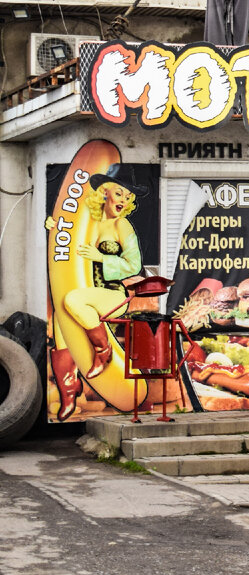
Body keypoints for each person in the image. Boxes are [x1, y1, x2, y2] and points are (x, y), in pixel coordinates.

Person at [49, 165, 148, 420]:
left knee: (71, 300)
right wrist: (52, 228)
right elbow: (67, 252)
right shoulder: (87, 222)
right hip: (90, 293)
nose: (124, 200)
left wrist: (101, 257)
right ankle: (69, 391)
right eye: (119, 193)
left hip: (114, 295)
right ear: (104, 194)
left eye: (127, 196)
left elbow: (133, 266)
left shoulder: (122, 226)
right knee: (62, 323)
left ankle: (103, 352)